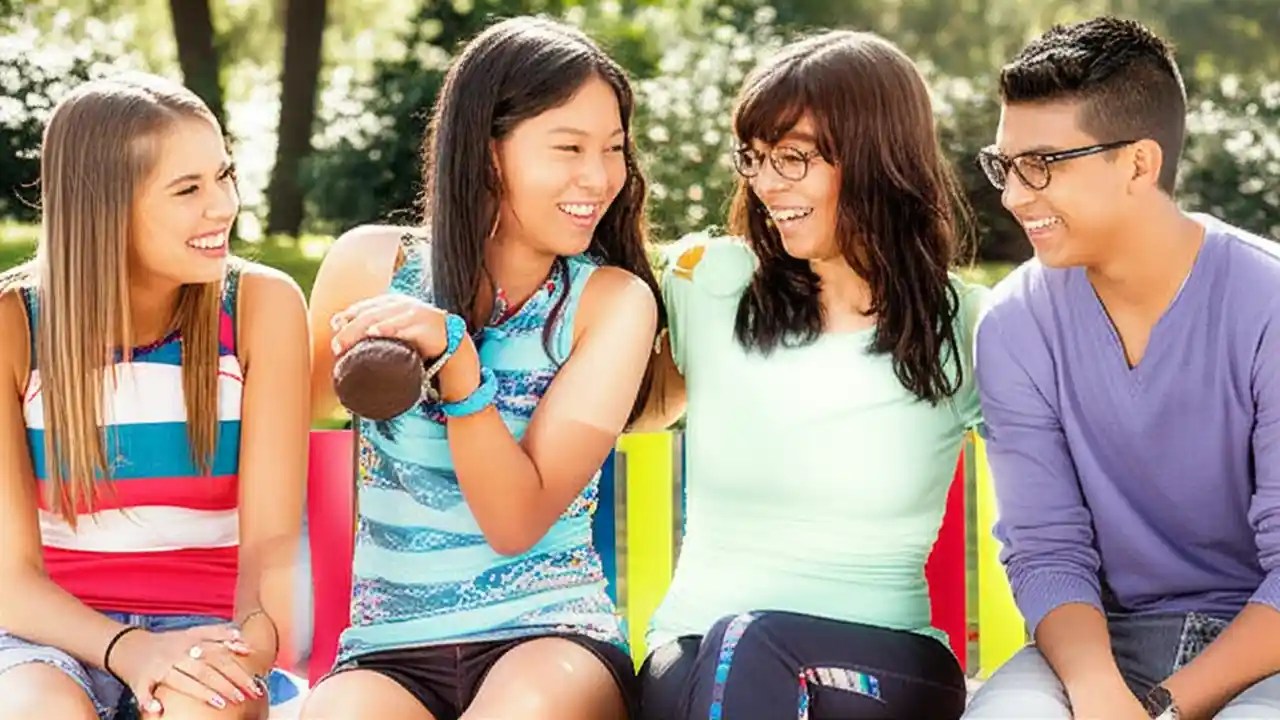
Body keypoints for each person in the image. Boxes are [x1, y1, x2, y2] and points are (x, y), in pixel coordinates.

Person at [300, 16, 663, 720]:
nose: (599, 178)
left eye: (614, 149)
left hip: (548, 637)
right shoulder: (371, 266)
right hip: (385, 649)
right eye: (568, 148)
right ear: (487, 151)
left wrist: (460, 367)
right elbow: (281, 417)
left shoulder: (608, 304)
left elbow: (516, 520)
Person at [634, 30, 985, 720]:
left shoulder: (967, 326)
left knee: (753, 643)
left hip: (884, 668)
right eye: (755, 159)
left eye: (792, 159)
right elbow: (622, 385)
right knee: (731, 656)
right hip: (694, 653)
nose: (765, 184)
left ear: (877, 156)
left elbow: (1067, 479)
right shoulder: (711, 282)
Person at [964, 16, 1280, 720]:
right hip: (1103, 648)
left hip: (1266, 650)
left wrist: (1165, 708)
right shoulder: (1016, 325)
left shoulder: (1269, 304)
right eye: (1006, 166)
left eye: (1042, 164)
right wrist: (1099, 692)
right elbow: (1046, 548)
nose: (1014, 196)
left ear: (1140, 164)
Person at [0, 72, 309, 720]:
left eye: (223, 176)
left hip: (208, 632)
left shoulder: (260, 308)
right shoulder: (13, 327)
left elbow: (270, 551)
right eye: (188, 189)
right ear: (106, 207)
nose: (223, 206)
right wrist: (133, 650)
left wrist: (245, 647)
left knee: (202, 711)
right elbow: (10, 582)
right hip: (44, 638)